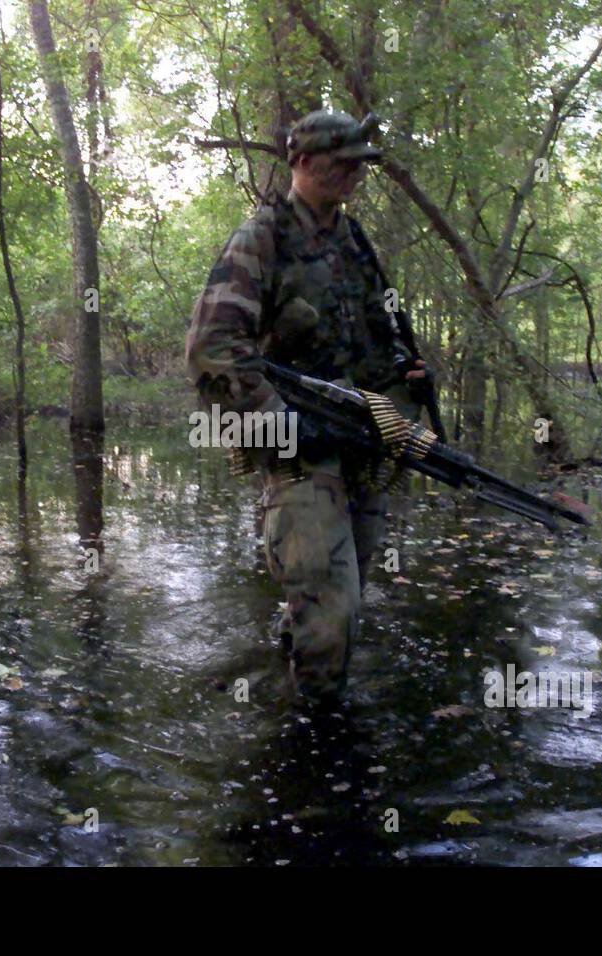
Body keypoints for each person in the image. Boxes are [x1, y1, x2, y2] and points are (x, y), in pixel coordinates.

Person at [185, 110, 430, 702]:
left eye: (358, 166)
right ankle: (310, 746)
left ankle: (302, 686)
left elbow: (381, 330)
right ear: (300, 162)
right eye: (339, 164)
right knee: (330, 607)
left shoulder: (356, 243)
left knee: (346, 596)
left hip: (361, 441)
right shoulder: (261, 238)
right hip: (298, 454)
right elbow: (212, 350)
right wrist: (286, 426)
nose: (352, 176)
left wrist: (405, 375)